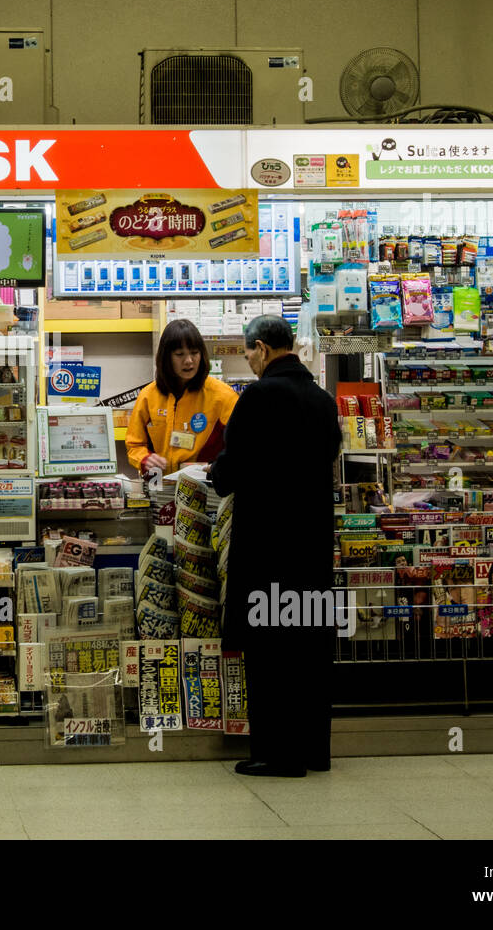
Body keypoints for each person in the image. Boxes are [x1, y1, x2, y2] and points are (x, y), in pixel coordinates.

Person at [209, 315, 341, 778]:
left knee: (269, 654)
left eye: (248, 355)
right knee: (308, 650)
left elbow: (230, 469)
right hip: (312, 547)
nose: (249, 362)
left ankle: (277, 755)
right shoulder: (323, 401)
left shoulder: (259, 396)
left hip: (268, 547)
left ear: (262, 349)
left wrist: (214, 475)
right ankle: (312, 752)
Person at [125, 319, 238, 477]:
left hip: (204, 490)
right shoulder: (148, 396)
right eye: (180, 354)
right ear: (166, 357)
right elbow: (134, 444)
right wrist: (145, 459)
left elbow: (240, 448)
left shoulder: (223, 396)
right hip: (159, 485)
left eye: (194, 353)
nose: (189, 361)